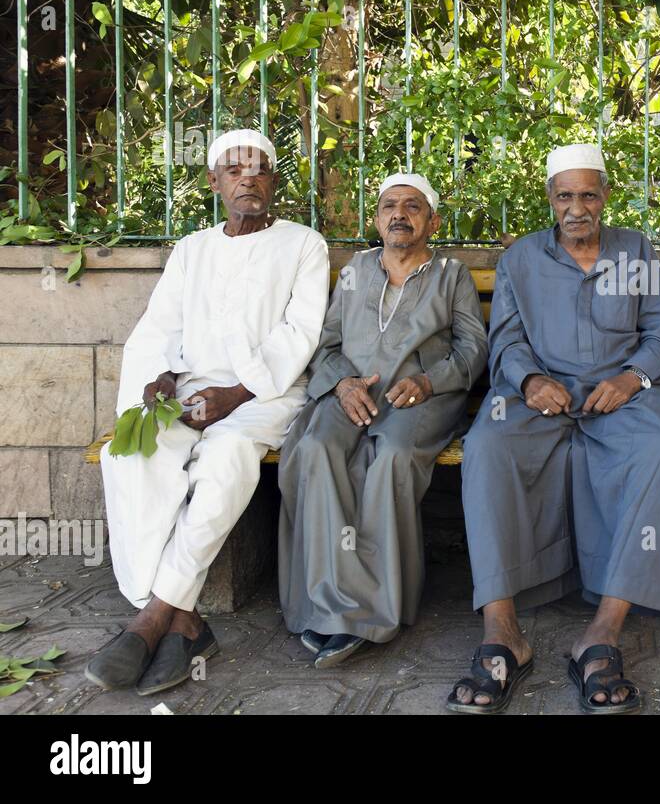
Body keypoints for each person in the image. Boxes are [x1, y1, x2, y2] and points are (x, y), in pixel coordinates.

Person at [448, 143, 660, 714]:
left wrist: (632, 380)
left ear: (605, 196)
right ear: (551, 200)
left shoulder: (636, 250)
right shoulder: (521, 259)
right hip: (539, 396)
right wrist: (529, 382)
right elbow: (504, 340)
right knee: (486, 444)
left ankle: (602, 633)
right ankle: (502, 632)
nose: (576, 208)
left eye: (587, 194)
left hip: (621, 396)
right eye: (565, 196)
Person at [88, 128, 329, 696]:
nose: (249, 178)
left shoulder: (304, 244)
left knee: (224, 467)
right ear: (214, 182)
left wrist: (236, 394)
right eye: (235, 170)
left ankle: (151, 619)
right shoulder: (192, 248)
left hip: (263, 396)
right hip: (187, 394)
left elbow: (301, 334)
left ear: (273, 182)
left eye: (261, 169)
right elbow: (159, 328)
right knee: (130, 457)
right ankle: (186, 621)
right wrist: (160, 380)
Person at [277, 173, 487, 668]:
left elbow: (473, 347)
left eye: (412, 207)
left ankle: (372, 611)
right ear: (376, 219)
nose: (399, 214)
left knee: (390, 456)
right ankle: (322, 603)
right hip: (353, 393)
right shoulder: (356, 268)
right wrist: (343, 384)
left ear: (432, 221)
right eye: (389, 205)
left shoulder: (450, 273)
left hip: (420, 398)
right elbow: (326, 345)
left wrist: (429, 382)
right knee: (315, 450)